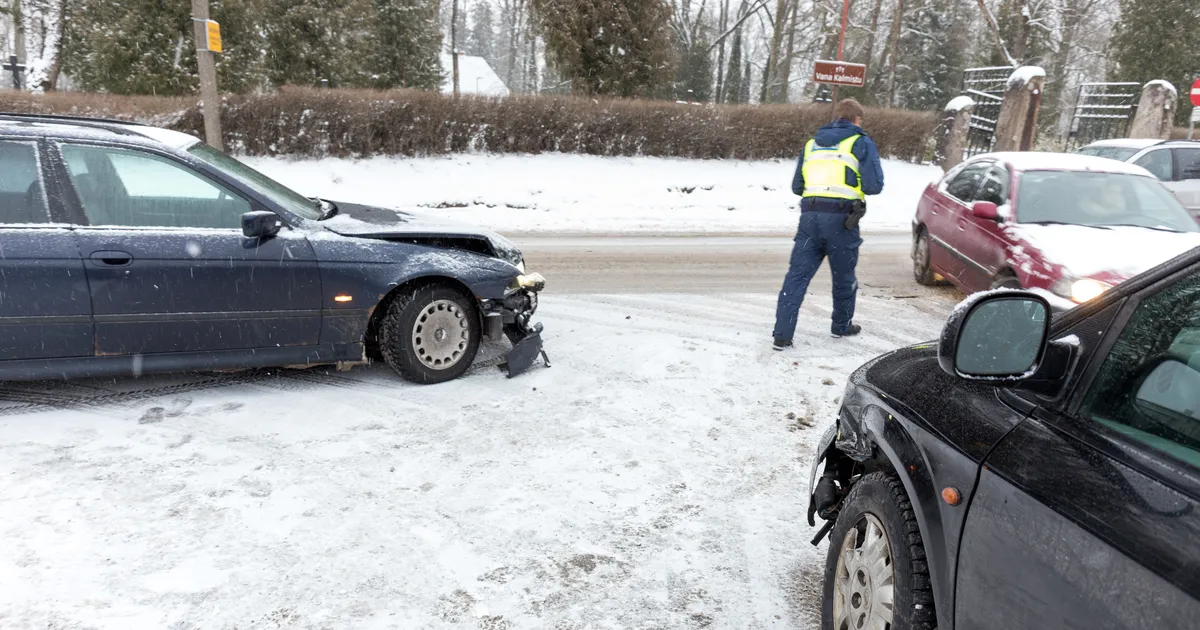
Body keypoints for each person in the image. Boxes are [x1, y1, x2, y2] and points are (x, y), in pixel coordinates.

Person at [772, 98, 884, 350]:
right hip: (842, 220)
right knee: (843, 276)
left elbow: (797, 187)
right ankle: (840, 325)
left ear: (835, 118)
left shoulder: (811, 145)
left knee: (797, 276)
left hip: (809, 218)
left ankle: (782, 334)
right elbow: (873, 186)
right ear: (857, 119)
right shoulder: (860, 142)